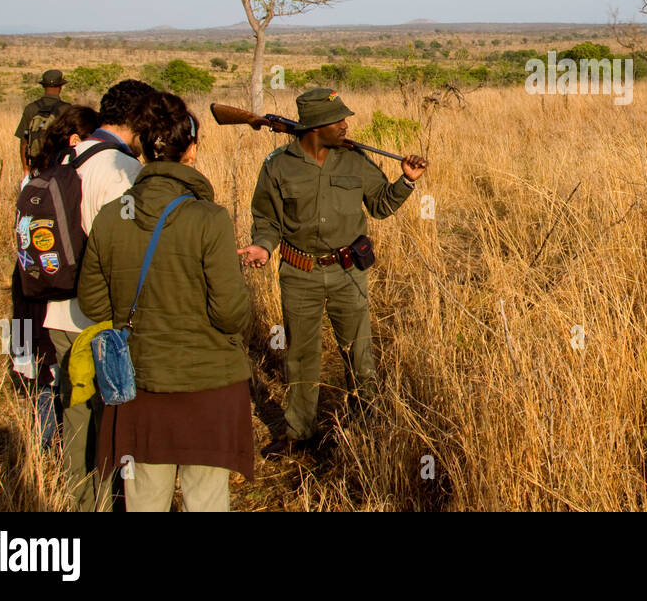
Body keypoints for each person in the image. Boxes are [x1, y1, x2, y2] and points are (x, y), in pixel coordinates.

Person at [79, 91, 253, 512]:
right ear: (189, 149)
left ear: (142, 146)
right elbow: (232, 316)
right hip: (208, 385)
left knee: (143, 500)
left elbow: (93, 306)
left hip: (138, 387)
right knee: (207, 499)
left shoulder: (111, 216)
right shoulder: (208, 218)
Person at [239, 88, 426, 457]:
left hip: (348, 271)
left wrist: (406, 181)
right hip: (298, 271)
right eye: (337, 120)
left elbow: (380, 206)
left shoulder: (354, 160)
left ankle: (367, 427)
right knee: (301, 354)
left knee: (358, 352)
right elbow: (266, 218)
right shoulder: (277, 165)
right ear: (313, 127)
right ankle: (299, 432)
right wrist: (263, 245)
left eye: (344, 119)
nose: (345, 125)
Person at [45, 78, 156, 511]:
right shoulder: (121, 171)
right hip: (103, 323)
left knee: (76, 426)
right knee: (115, 427)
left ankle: (79, 504)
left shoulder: (63, 157)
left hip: (58, 315)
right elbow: (130, 255)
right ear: (141, 120)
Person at [10, 104, 101, 450]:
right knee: (65, 374)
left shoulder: (34, 177)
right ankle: (65, 447)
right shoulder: (75, 180)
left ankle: (47, 447)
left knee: (41, 370)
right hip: (62, 295)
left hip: (30, 285)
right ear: (77, 139)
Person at [15, 70, 71, 171]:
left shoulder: (30, 108)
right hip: (60, 166)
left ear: (43, 86)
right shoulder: (67, 109)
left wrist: (26, 170)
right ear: (60, 87)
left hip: (36, 165)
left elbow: (24, 143)